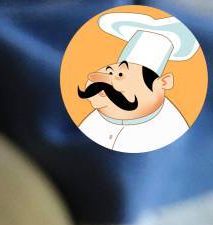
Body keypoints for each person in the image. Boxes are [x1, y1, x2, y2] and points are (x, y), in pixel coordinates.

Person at [78, 11, 201, 153]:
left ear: (163, 83)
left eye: (120, 75)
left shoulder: (170, 131)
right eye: (109, 71)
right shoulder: (93, 117)